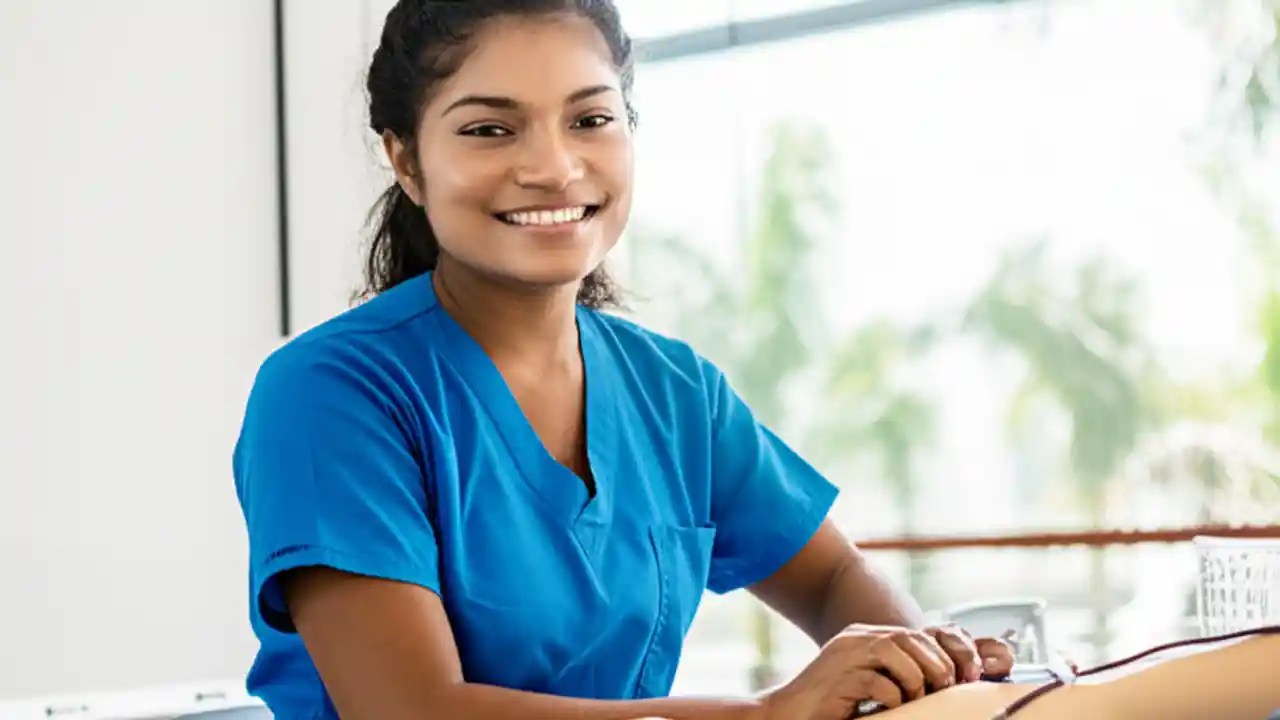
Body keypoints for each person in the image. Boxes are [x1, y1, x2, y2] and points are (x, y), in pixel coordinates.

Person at [231, 2, 1014, 719]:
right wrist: (767, 715)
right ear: (407, 162)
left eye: (591, 119)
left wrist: (926, 663)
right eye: (490, 129)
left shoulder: (675, 392)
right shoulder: (327, 393)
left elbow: (834, 577)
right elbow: (410, 712)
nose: (553, 167)